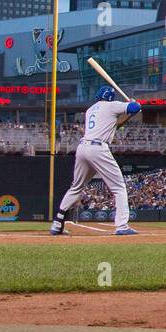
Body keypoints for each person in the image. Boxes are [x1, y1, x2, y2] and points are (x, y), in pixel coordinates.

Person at [52, 86, 142, 236]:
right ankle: (122, 225)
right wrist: (134, 104)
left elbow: (114, 124)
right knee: (119, 188)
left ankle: (57, 223)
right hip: (98, 149)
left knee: (76, 187)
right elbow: (134, 107)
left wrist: (131, 113)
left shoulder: (91, 110)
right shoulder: (111, 105)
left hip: (83, 148)